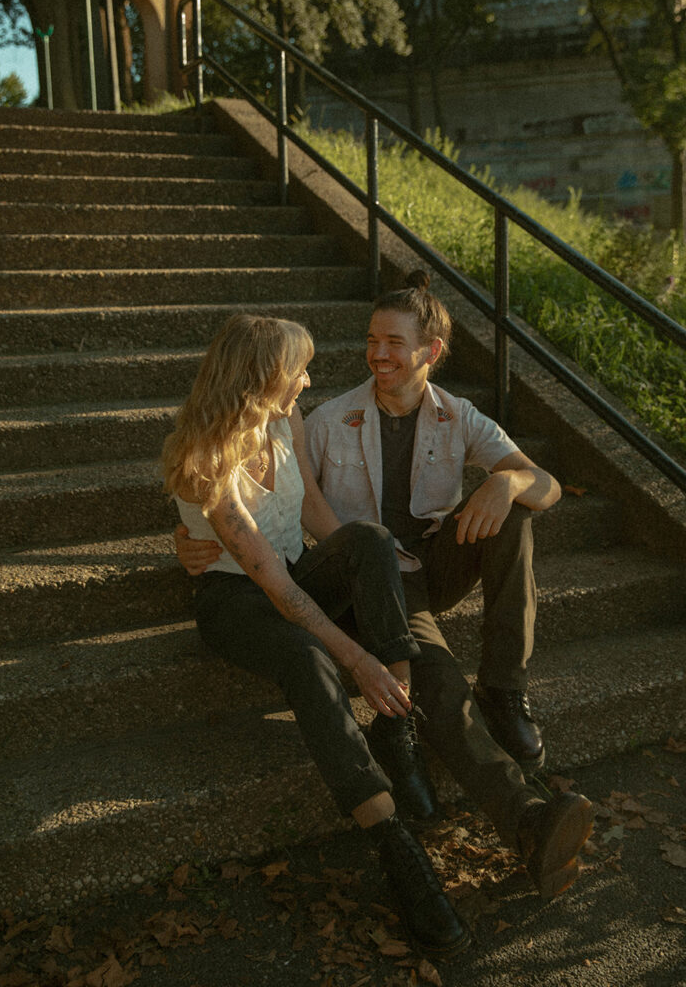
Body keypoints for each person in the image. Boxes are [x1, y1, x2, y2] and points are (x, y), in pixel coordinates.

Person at [175, 279, 594, 900]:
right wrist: (190, 537)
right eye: (372, 339)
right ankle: (527, 820)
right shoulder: (324, 420)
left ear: (431, 351)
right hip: (367, 585)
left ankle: (504, 689)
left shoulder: (456, 414)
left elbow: (547, 484)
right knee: (439, 681)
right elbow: (259, 511)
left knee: (516, 511)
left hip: (424, 564)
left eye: (393, 342)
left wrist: (506, 484)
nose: (377, 353)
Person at [162, 311, 469, 959]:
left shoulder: (284, 419)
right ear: (261, 377)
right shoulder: (203, 460)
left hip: (294, 570)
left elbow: (309, 509)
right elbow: (276, 588)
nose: (306, 382)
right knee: (309, 658)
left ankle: (397, 727)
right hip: (235, 600)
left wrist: (367, 563)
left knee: (370, 538)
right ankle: (396, 848)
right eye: (297, 371)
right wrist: (359, 660)